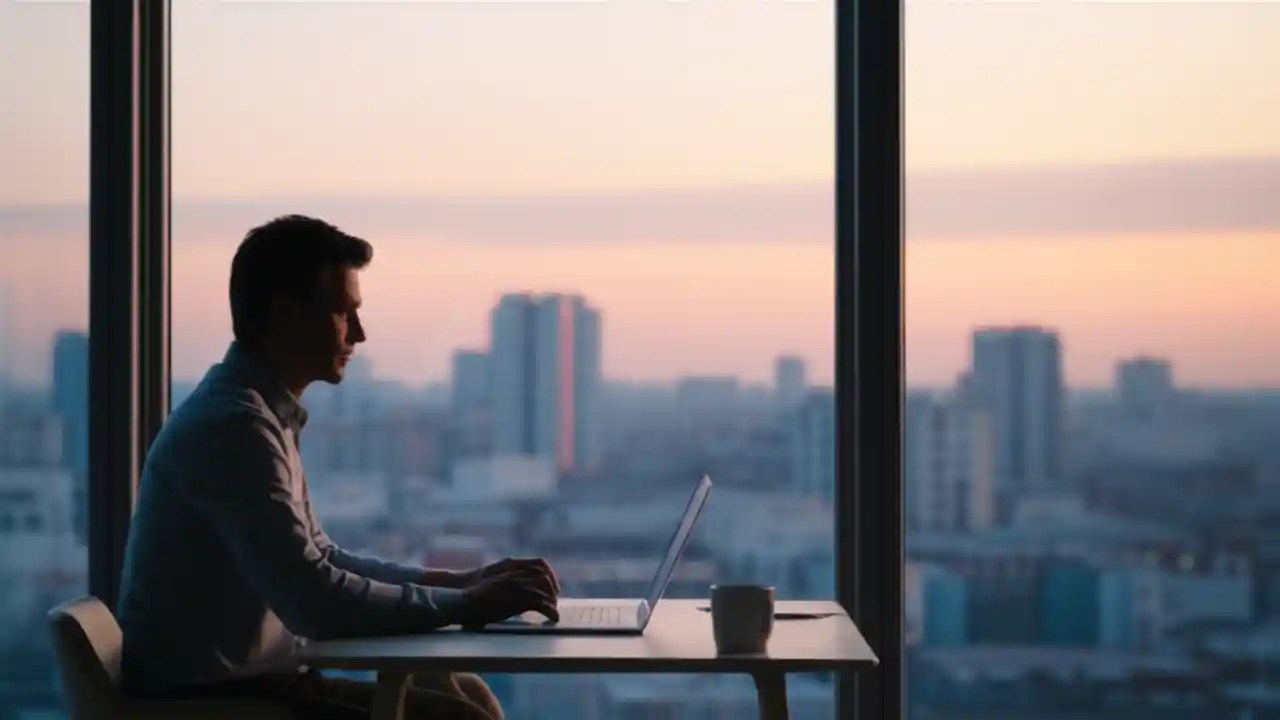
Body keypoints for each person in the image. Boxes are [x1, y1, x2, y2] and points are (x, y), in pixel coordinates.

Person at [117, 215, 561, 719]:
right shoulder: (233, 429)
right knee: (460, 715)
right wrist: (467, 603)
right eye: (345, 313)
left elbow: (322, 560)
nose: (361, 333)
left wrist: (462, 584)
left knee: (464, 696)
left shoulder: (257, 416)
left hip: (251, 685)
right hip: (212, 703)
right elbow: (314, 601)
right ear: (286, 314)